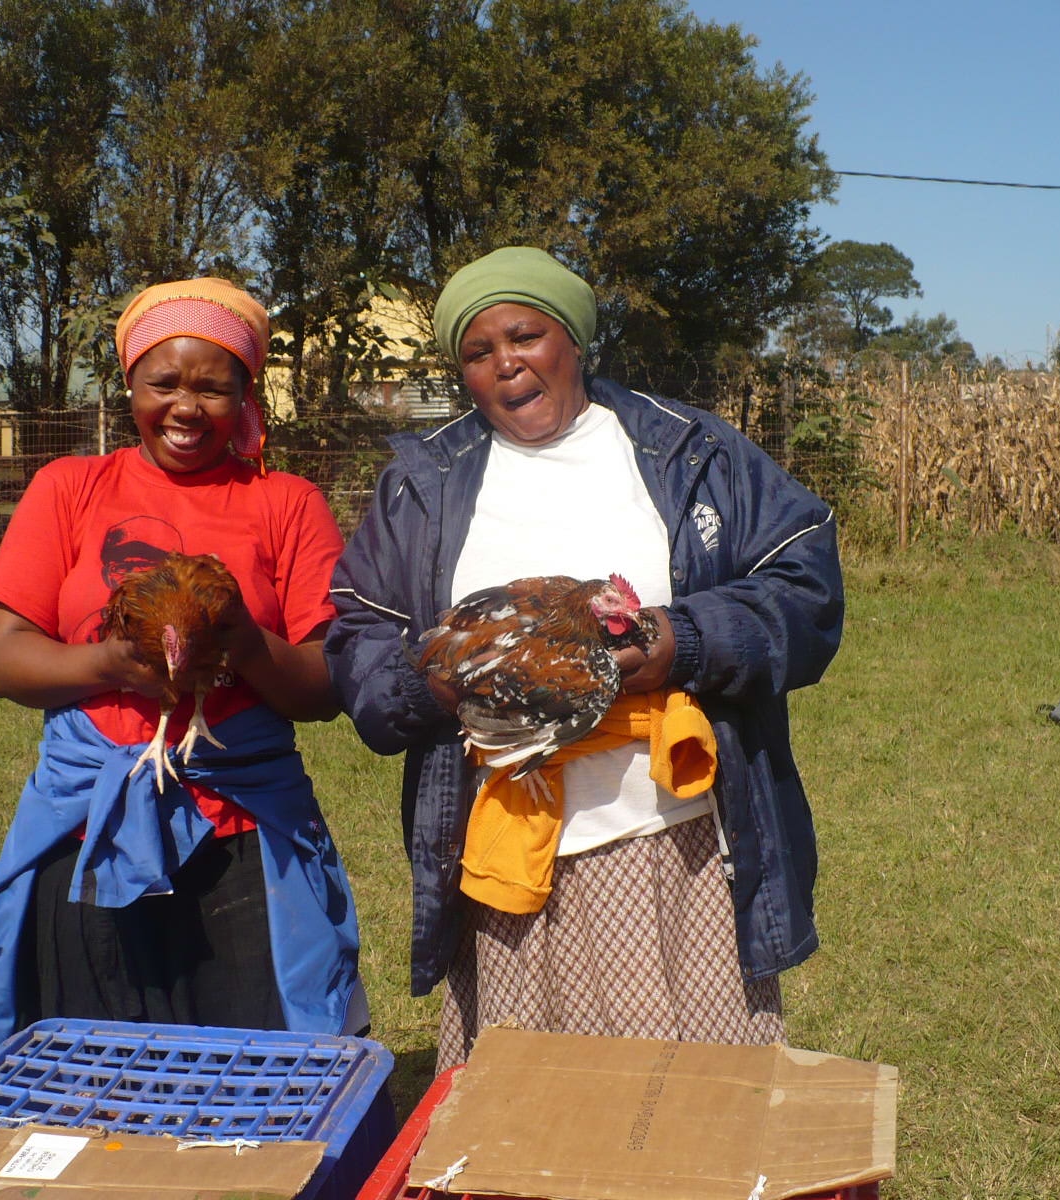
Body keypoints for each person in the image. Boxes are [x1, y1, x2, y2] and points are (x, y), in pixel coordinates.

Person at [325, 246, 843, 1069]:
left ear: (572, 338)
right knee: (530, 1098)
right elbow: (355, 633)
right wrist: (438, 684)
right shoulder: (424, 483)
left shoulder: (689, 451)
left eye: (525, 336)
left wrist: (682, 641)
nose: (505, 365)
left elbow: (805, 586)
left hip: (668, 833)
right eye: (476, 351)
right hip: (505, 837)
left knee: (685, 1095)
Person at [0, 277, 367, 1054]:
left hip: (242, 826)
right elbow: (7, 659)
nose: (187, 407)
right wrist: (114, 664)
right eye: (165, 382)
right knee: (91, 1069)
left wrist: (244, 645)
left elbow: (324, 687)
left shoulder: (286, 501)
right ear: (130, 385)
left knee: (258, 1075)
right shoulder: (70, 488)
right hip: (91, 818)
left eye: (215, 388)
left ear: (247, 395)